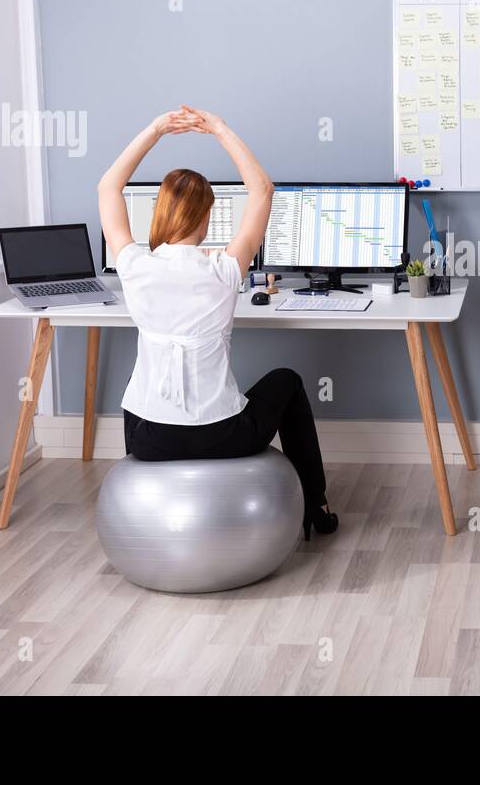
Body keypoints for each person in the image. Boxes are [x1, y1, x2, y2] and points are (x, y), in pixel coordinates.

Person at [98, 106, 338, 540]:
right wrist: (219, 129)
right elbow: (262, 190)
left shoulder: (133, 266)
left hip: (148, 440)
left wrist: (156, 129)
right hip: (223, 436)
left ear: (160, 214)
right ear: (208, 218)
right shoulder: (225, 271)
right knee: (287, 380)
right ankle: (316, 506)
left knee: (138, 399)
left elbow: (108, 187)